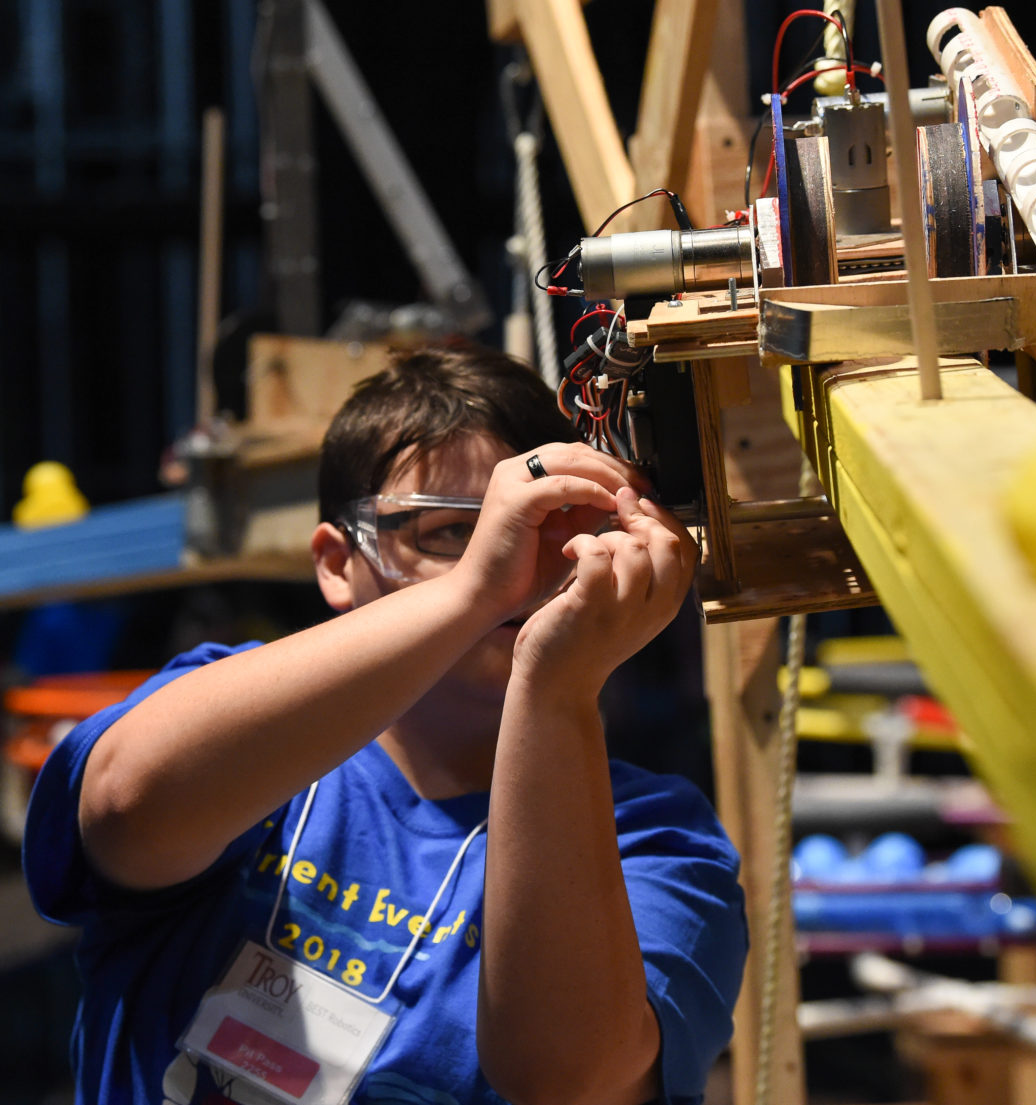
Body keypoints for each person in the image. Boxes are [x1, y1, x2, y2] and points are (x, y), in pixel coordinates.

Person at [24, 341, 748, 1105]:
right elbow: (129, 806)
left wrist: (557, 688)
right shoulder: (248, 719)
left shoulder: (654, 837)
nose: (517, 569)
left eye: (544, 530)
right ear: (338, 564)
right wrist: (476, 591)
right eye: (445, 532)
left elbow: (565, 1082)